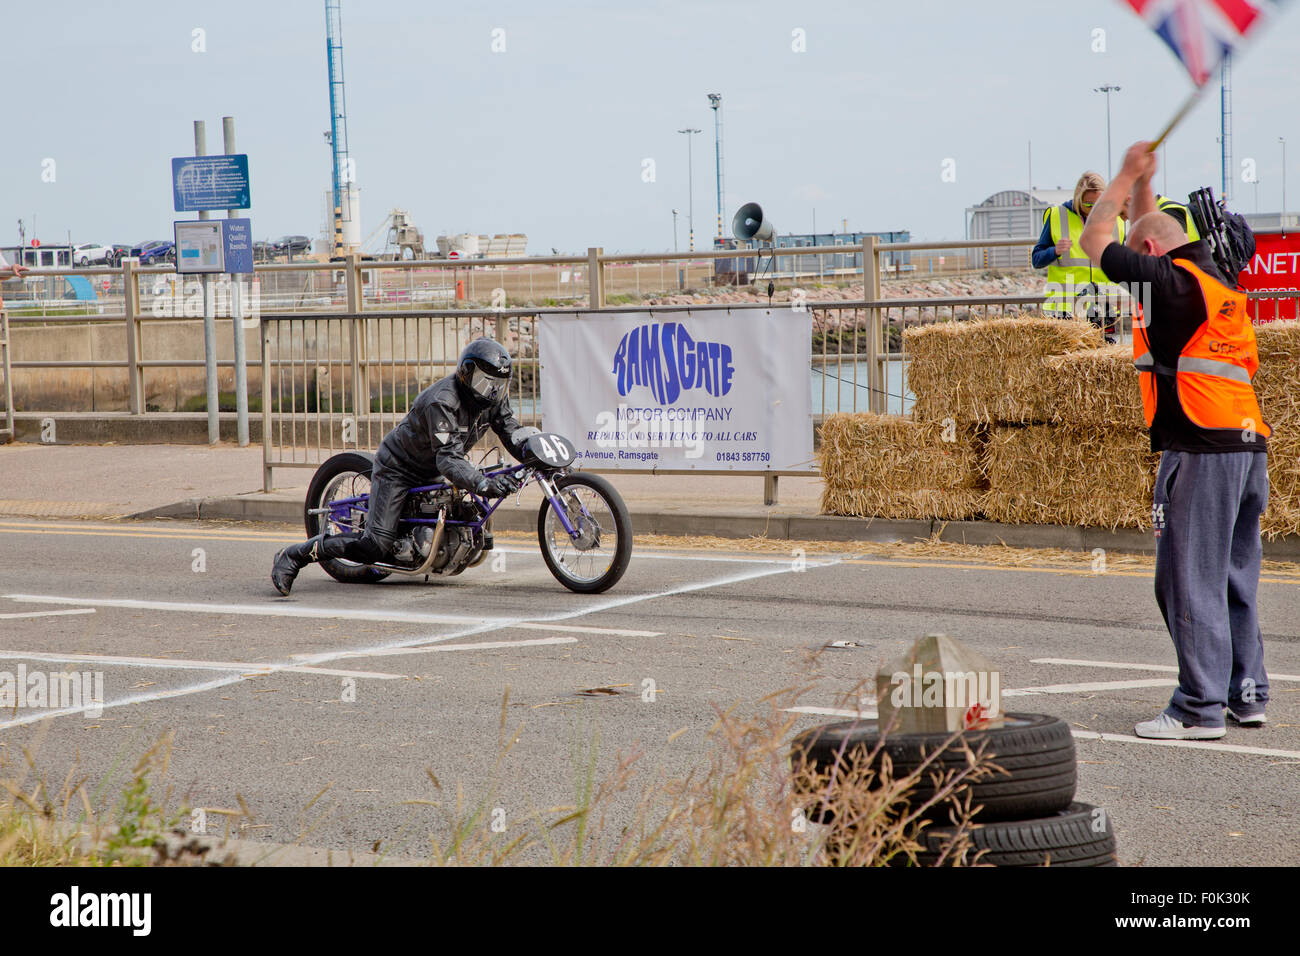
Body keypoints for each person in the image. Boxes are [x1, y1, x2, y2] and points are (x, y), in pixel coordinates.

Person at [1080, 141, 1270, 741]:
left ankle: (1197, 707)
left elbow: (1093, 240)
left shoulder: (1165, 281)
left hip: (1200, 447)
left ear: (1149, 255)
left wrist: (1123, 174)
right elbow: (1148, 231)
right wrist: (1146, 184)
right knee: (1232, 575)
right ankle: (1245, 693)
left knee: (1186, 579)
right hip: (1247, 448)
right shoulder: (1211, 278)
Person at [271, 337, 526, 595]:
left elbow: (510, 429)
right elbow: (448, 457)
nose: (491, 391)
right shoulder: (442, 401)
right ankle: (295, 554)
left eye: (498, 384)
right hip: (399, 469)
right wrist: (482, 483)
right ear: (466, 374)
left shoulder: (492, 399)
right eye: (485, 382)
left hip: (433, 469)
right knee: (375, 546)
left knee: (465, 510)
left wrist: (535, 453)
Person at [1032, 171, 1127, 322]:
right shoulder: (1057, 216)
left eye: (1098, 204)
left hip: (1103, 309)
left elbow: (1124, 266)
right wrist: (1054, 251)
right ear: (1078, 199)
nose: (1093, 209)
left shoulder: (1118, 221)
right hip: (1065, 308)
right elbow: (1036, 260)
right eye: (1088, 205)